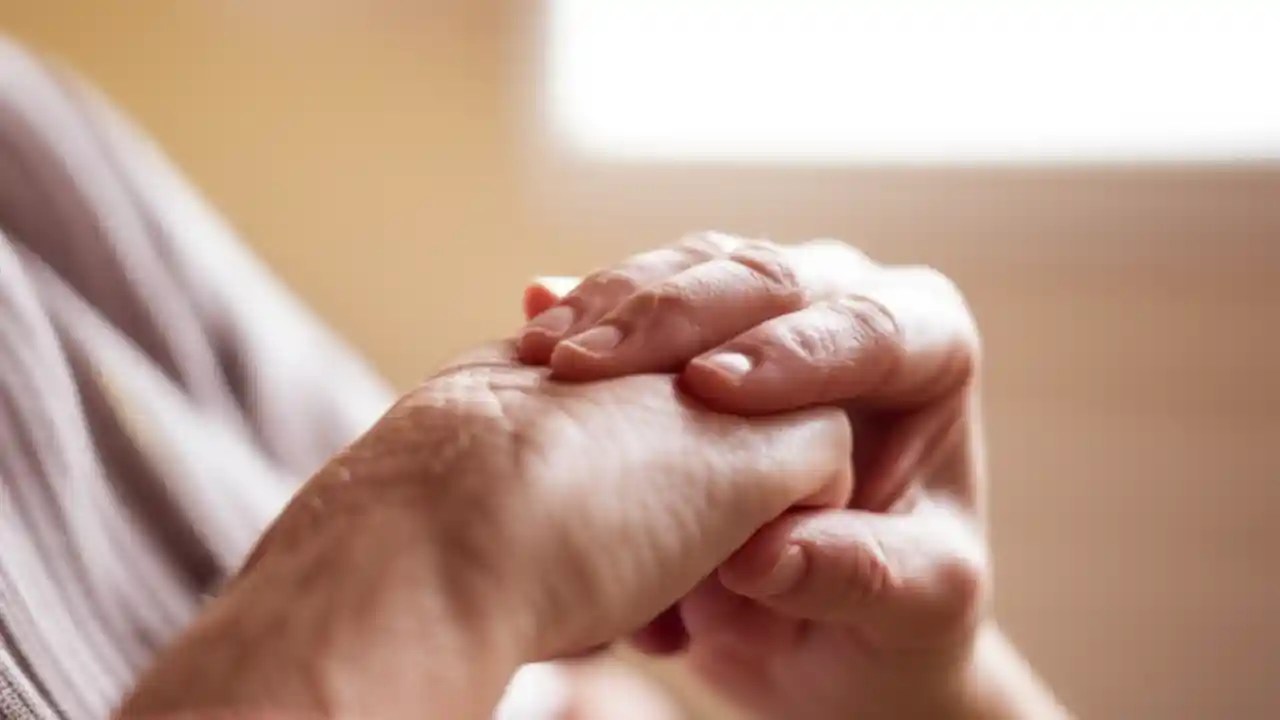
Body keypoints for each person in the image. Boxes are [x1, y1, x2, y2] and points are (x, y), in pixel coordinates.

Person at [0, 38, 1067, 718]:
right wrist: (439, 559)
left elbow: (577, 700)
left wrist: (927, 692)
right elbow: (468, 537)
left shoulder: (29, 143)